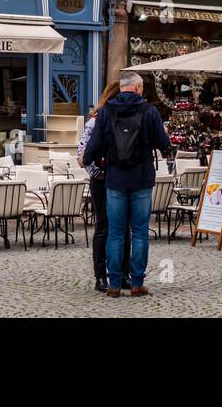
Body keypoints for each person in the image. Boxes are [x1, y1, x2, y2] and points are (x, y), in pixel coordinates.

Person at [83, 72, 172, 298]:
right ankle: (136, 282)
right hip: (141, 179)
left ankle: (113, 284)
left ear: (122, 88)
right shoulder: (150, 112)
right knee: (140, 232)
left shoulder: (105, 112)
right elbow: (164, 146)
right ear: (139, 88)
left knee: (115, 232)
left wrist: (99, 164)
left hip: (115, 180)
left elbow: (90, 151)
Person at [77, 80, 129, 292]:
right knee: (104, 226)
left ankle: (122, 274)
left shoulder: (127, 119)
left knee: (124, 228)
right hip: (102, 181)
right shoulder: (95, 121)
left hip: (120, 179)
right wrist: (99, 173)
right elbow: (82, 156)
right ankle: (101, 276)